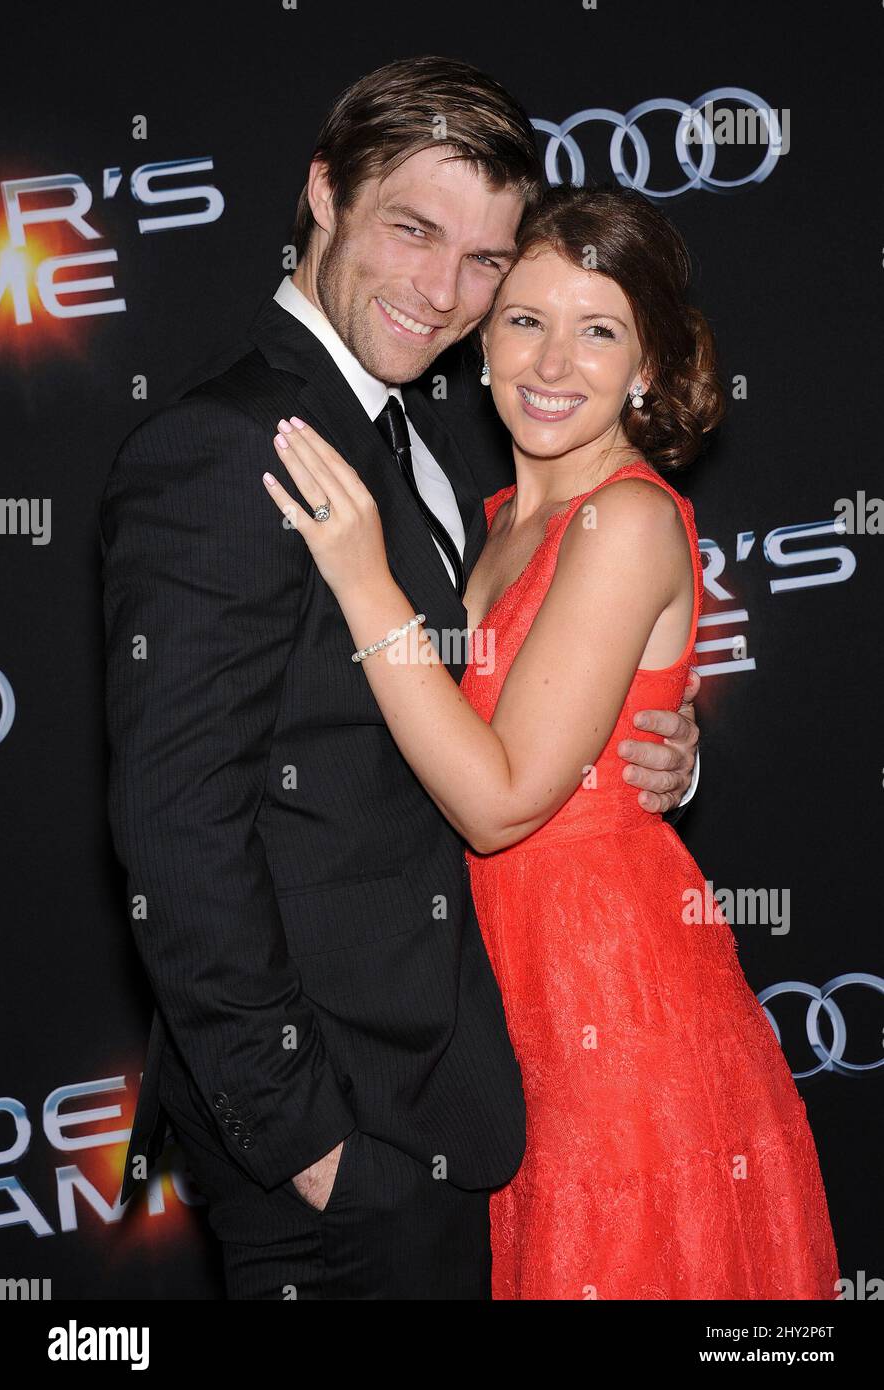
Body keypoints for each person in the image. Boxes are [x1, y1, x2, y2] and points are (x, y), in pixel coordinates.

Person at [100, 58, 698, 1301]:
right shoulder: (226, 444)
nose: (445, 291)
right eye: (413, 231)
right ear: (323, 194)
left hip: (468, 1083)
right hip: (338, 1130)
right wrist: (306, 1143)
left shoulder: (420, 444)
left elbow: (474, 713)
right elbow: (175, 829)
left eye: (487, 263)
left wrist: (642, 735)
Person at [262, 182, 840, 1300]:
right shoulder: (479, 520)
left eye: (599, 331)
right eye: (524, 320)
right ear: (481, 341)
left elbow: (498, 798)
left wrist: (361, 578)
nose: (552, 363)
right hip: (493, 1004)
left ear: (649, 367)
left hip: (614, 1015)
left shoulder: (625, 518)